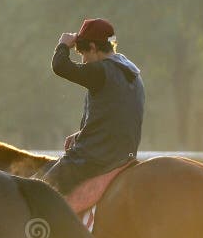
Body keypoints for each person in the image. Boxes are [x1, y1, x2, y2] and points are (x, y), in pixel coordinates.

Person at [43, 18, 145, 196]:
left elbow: (60, 66)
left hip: (94, 159)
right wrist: (81, 135)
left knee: (40, 191)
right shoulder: (132, 73)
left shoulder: (101, 71)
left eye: (83, 53)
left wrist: (64, 44)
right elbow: (116, 116)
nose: (83, 60)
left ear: (93, 47)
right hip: (124, 156)